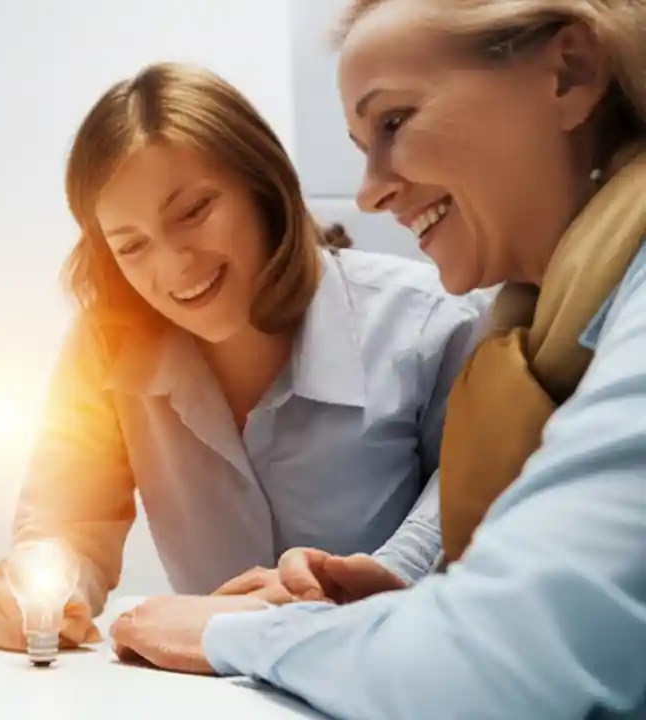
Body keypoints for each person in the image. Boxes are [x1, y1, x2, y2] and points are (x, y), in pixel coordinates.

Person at [109, 2, 646, 718]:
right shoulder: (545, 323)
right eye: (131, 243)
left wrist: (245, 633)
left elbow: (502, 660)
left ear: (568, 73)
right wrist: (404, 606)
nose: (369, 191)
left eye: (394, 122)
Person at [0, 62, 486, 651]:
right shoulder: (106, 348)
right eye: (132, 245)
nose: (174, 267)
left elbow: (471, 531)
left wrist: (314, 606)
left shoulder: (434, 324)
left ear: (261, 187)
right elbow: (69, 530)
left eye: (193, 211)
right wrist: (41, 588)